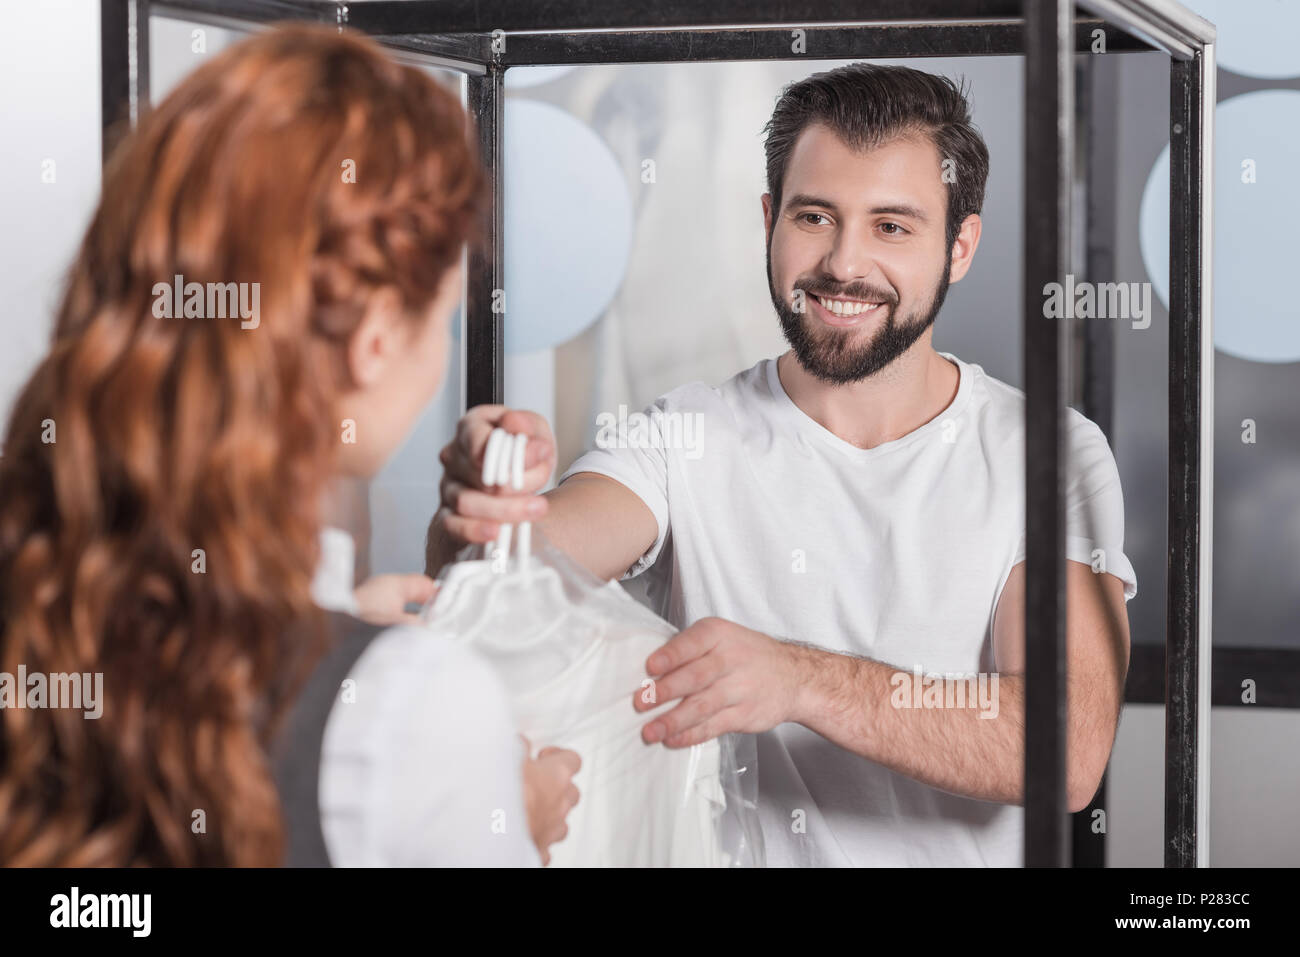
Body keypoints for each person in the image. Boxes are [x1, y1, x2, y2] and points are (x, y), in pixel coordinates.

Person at [427, 63, 1135, 867]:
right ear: (770, 219)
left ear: (960, 245)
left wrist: (798, 680)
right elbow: (499, 574)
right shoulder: (682, 436)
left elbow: (1068, 749)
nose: (844, 262)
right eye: (814, 216)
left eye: (892, 227)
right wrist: (481, 513)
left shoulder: (1048, 453)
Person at [0, 24, 577, 867]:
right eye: (445, 314)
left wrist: (336, 635)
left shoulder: (46, 592)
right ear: (375, 339)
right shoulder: (422, 714)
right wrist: (509, 822)